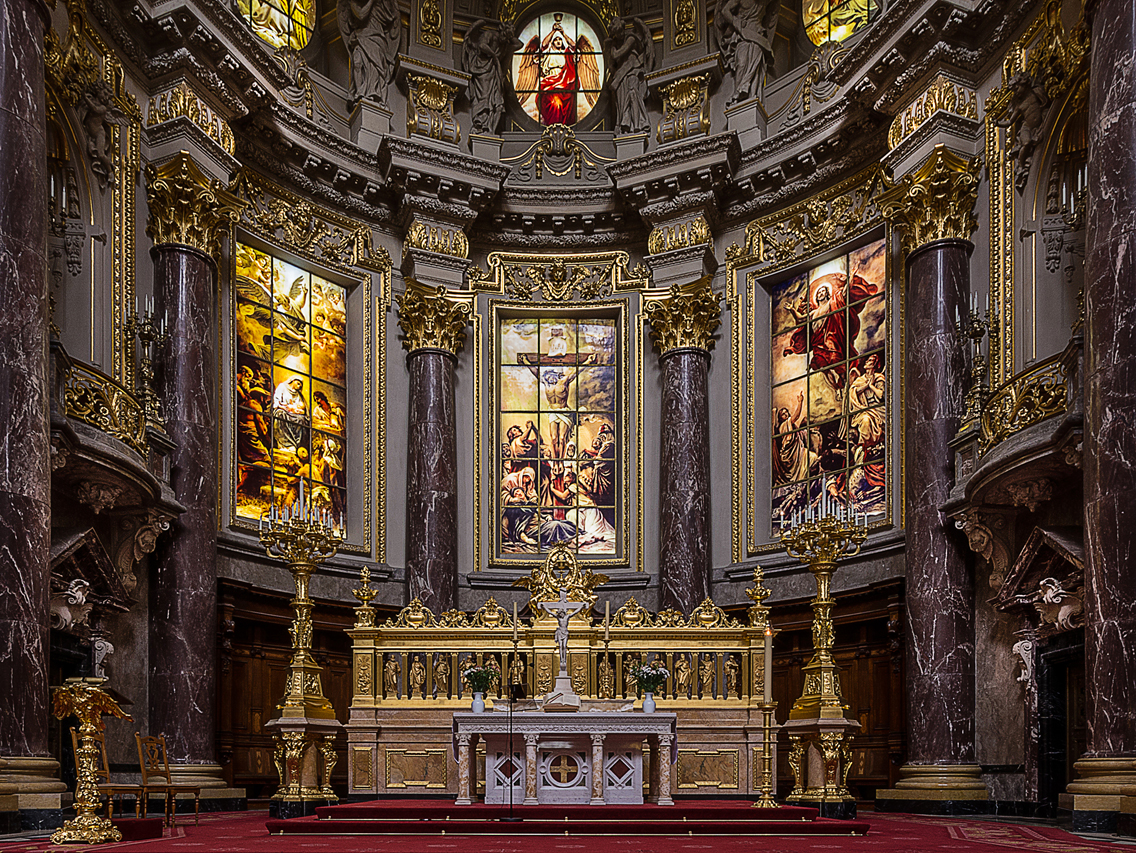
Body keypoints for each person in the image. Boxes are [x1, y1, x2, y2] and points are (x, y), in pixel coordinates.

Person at [782, 272, 879, 389]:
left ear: (827, 293)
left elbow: (844, 292)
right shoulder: (813, 313)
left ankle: (845, 382)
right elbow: (800, 319)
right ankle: (836, 389)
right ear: (816, 297)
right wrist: (792, 309)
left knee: (835, 361)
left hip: (831, 336)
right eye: (819, 292)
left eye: (823, 291)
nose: (821, 293)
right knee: (821, 365)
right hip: (817, 341)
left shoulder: (833, 302)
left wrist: (851, 278)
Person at [515, 13, 601, 125]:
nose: (558, 41)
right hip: (549, 83)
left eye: (560, 40)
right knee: (556, 104)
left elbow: (574, 46)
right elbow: (543, 45)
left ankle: (564, 126)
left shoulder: (567, 54)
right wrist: (553, 31)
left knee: (566, 107)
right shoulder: (547, 52)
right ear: (552, 42)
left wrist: (563, 33)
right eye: (556, 40)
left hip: (564, 82)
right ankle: (553, 126)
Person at [337, 0, 403, 108]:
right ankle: (360, 93)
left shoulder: (379, 6)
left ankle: (373, 93)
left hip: (376, 38)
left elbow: (390, 18)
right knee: (357, 62)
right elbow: (361, 15)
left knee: (375, 67)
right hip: (361, 35)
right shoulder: (353, 3)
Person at [462, 20, 522, 135]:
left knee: (498, 103)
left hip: (494, 72)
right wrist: (494, 55)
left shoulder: (505, 44)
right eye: (504, 35)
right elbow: (481, 45)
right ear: (501, 31)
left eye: (507, 37)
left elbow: (519, 44)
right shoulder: (490, 34)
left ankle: (490, 128)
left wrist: (509, 36)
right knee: (484, 95)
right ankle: (480, 122)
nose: (505, 39)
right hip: (482, 69)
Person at [714, 0, 778, 106]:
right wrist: (737, 22)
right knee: (742, 63)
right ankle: (739, 93)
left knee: (754, 66)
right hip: (742, 34)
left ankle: (751, 95)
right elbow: (725, 11)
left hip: (757, 34)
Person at [604, 17, 654, 135]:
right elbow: (611, 64)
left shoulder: (631, 38)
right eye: (617, 34)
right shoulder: (616, 42)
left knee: (633, 95)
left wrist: (610, 47)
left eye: (620, 32)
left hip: (632, 70)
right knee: (621, 101)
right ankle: (624, 123)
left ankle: (639, 124)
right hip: (621, 74)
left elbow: (617, 54)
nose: (620, 35)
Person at [272, 377, 308, 450]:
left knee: (301, 419)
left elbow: (299, 406)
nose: (298, 386)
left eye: (300, 386)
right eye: (298, 384)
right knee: (280, 414)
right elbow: (276, 400)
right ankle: (284, 443)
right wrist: (283, 407)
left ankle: (296, 444)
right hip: (282, 409)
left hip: (292, 413)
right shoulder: (282, 386)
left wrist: (296, 410)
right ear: (293, 380)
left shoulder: (297, 394)